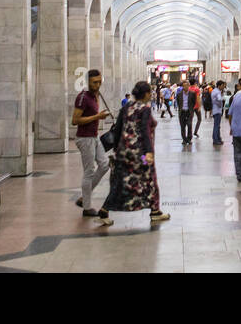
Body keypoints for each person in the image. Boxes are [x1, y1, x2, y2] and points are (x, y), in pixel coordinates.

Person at [98, 80, 169, 227]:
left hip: (124, 152)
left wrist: (116, 148)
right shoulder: (145, 109)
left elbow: (117, 129)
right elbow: (144, 131)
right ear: (147, 94)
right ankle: (155, 210)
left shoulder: (127, 107)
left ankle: (105, 210)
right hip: (140, 154)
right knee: (150, 179)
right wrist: (149, 152)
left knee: (120, 183)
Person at [71, 69, 114, 217]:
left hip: (94, 137)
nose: (97, 84)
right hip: (85, 138)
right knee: (89, 172)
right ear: (87, 81)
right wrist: (97, 116)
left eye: (99, 82)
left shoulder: (96, 95)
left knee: (104, 165)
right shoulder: (83, 97)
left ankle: (85, 196)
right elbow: (75, 120)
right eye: (94, 82)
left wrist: (98, 116)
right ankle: (87, 207)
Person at [211, 80, 226, 146]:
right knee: (217, 126)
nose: (223, 87)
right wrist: (220, 105)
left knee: (216, 125)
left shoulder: (214, 91)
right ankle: (216, 140)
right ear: (219, 85)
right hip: (217, 110)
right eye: (223, 85)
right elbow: (219, 99)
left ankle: (217, 138)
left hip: (215, 110)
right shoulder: (217, 92)